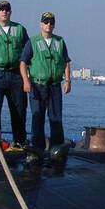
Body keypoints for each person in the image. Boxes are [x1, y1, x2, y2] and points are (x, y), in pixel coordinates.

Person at [21, 11, 72, 156]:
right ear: (41, 24)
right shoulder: (32, 42)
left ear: (54, 25)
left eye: (51, 22)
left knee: (56, 117)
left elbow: (67, 62)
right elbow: (23, 62)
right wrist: (26, 81)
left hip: (54, 85)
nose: (48, 25)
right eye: (45, 22)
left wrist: (68, 81)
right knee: (37, 117)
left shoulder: (60, 41)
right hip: (37, 85)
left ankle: (57, 147)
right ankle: (37, 147)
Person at [0, 0, 29, 150]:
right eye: (1, 9)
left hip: (16, 74)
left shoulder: (20, 29)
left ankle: (19, 141)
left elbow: (28, 52)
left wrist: (27, 76)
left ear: (11, 12)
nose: (4, 12)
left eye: (7, 9)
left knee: (19, 108)